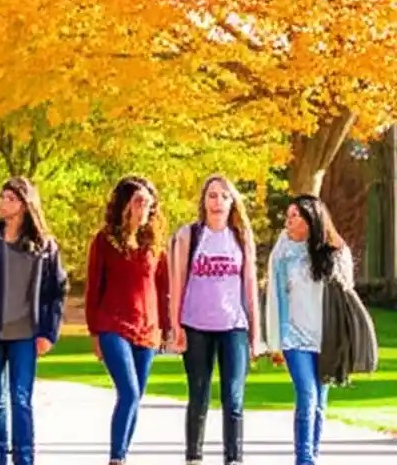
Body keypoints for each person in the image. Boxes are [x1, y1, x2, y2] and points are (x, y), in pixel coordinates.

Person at [0, 177, 68, 465]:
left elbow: (57, 291)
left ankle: (24, 458)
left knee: (20, 400)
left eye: (9, 198)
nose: (1, 202)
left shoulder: (44, 245)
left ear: (24, 204)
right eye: (0, 196)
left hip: (26, 335)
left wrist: (49, 333)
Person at [170, 175, 261, 465]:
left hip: (233, 326)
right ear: (203, 201)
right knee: (198, 395)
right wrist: (176, 326)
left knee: (233, 398)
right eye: (211, 195)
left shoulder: (241, 237)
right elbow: (177, 282)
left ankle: (234, 458)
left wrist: (255, 334)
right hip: (196, 325)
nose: (217, 201)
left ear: (232, 201)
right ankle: (193, 456)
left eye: (223, 195)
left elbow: (249, 287)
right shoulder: (189, 235)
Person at [86, 177, 172, 465]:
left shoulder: (155, 246)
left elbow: (164, 290)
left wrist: (168, 328)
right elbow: (93, 288)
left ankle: (122, 455)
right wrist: (94, 332)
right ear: (125, 205)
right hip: (113, 326)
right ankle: (116, 458)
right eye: (138, 201)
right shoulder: (105, 241)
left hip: (147, 331)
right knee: (129, 391)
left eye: (148, 203)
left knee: (136, 398)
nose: (144, 207)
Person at [266, 195, 354, 465]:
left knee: (319, 403)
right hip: (294, 336)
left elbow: (346, 294)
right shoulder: (282, 251)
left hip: (326, 339)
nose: (289, 220)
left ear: (311, 219)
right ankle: (304, 460)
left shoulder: (334, 251)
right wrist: (275, 341)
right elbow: (276, 295)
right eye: (288, 215)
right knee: (307, 395)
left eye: (295, 215)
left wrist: (338, 253)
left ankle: (313, 455)